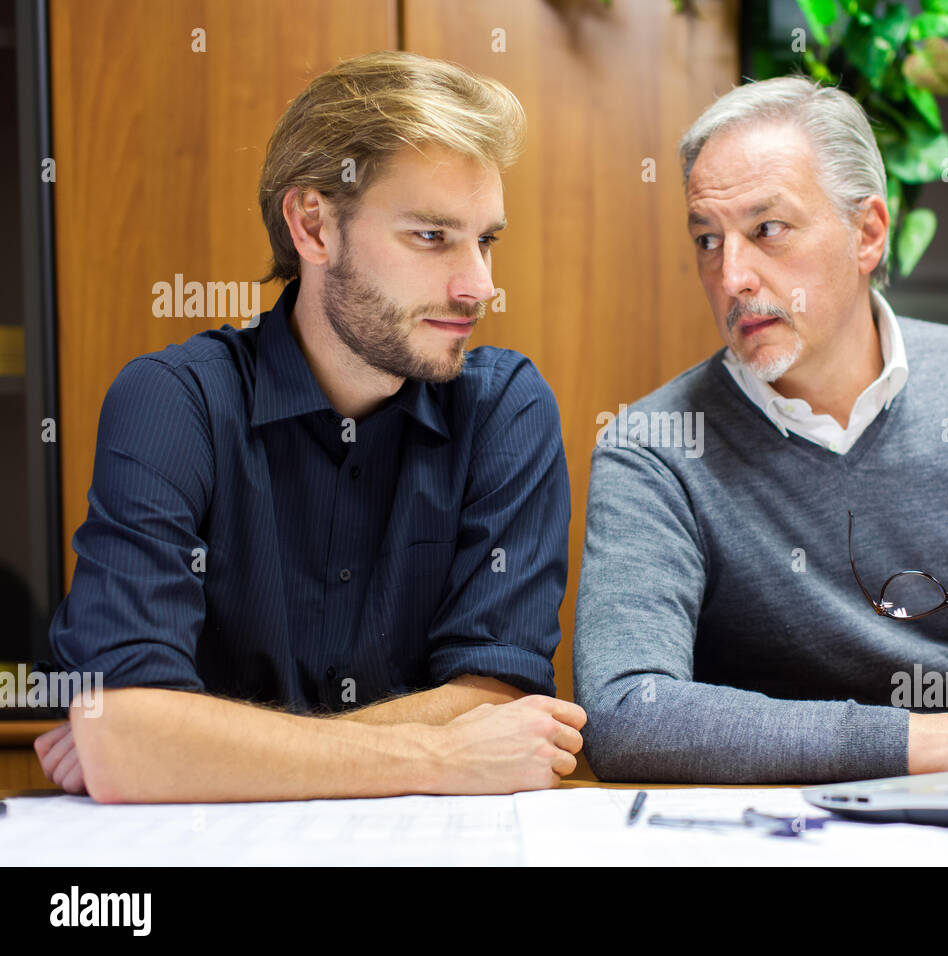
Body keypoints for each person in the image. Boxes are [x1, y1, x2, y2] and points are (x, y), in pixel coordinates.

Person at [35, 52, 584, 802]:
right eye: (431, 236)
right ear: (313, 225)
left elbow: (498, 707)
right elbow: (130, 735)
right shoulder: (173, 402)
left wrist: (187, 746)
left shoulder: (505, 409)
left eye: (485, 240)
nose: (479, 286)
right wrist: (437, 756)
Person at [574, 76, 948, 783]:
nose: (732, 277)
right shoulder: (655, 445)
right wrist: (925, 742)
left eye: (767, 230)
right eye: (706, 240)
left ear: (868, 233)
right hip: (784, 821)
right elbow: (628, 713)